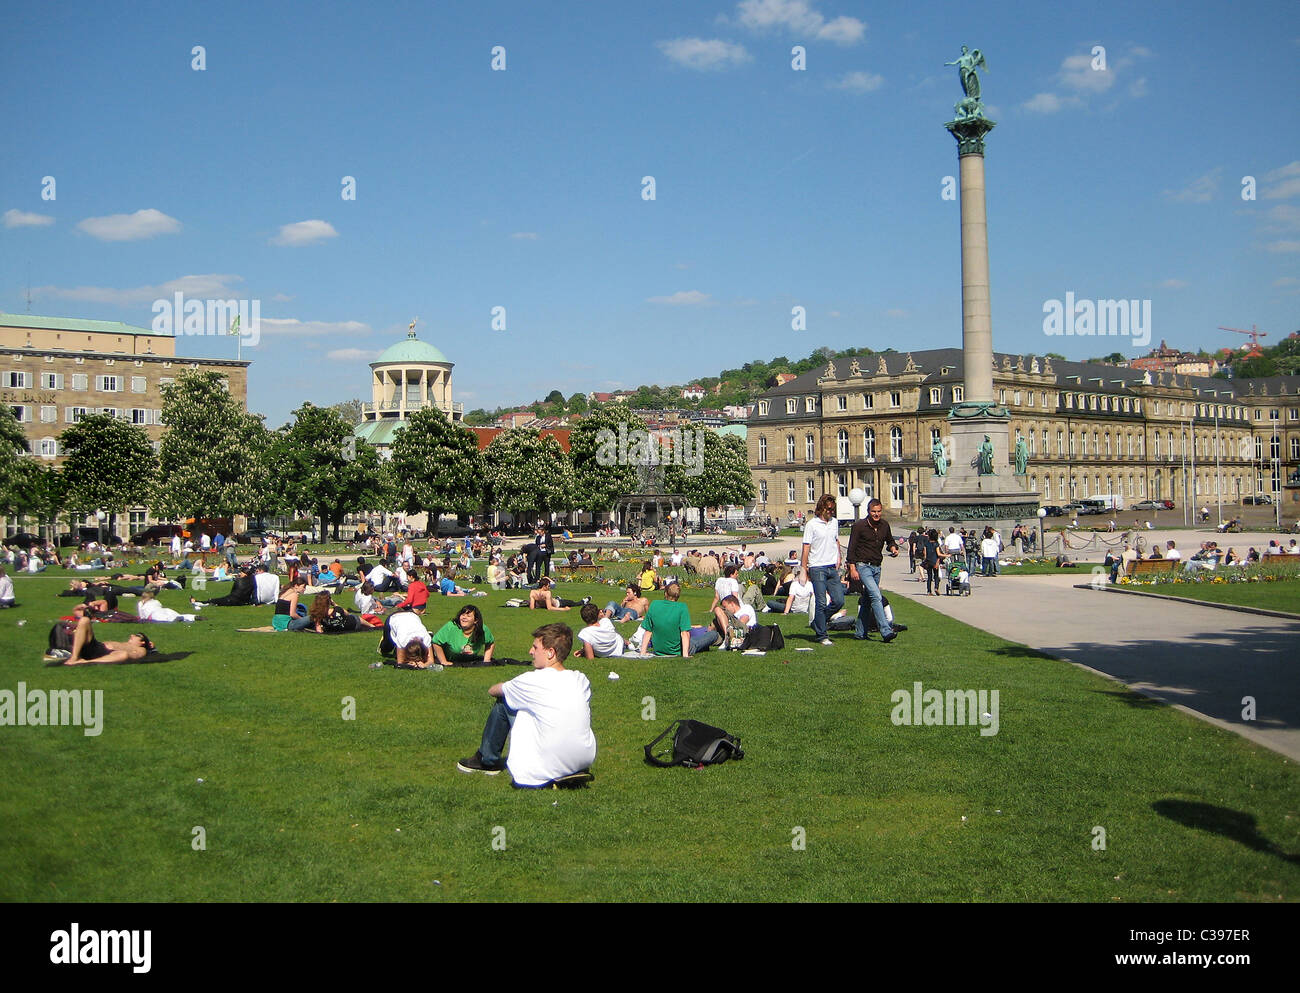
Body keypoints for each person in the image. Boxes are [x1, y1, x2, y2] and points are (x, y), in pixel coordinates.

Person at [456, 623, 597, 785]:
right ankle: (569, 761)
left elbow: (493, 690)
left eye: (535, 648)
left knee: (505, 700)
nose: (531, 652)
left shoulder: (531, 680)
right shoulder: (580, 679)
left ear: (551, 652)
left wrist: (512, 692)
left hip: (549, 762)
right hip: (584, 758)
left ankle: (486, 760)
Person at [847, 498, 901, 642]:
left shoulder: (884, 525)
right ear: (868, 512)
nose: (876, 514)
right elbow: (851, 549)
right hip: (863, 566)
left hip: (877, 567)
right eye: (873, 512)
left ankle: (860, 632)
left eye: (878, 511)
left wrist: (893, 548)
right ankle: (885, 631)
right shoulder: (859, 526)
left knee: (867, 600)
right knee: (876, 596)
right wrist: (852, 568)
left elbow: (890, 540)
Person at [800, 494, 844, 646]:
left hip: (832, 567)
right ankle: (822, 635)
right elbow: (806, 547)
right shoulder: (812, 525)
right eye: (829, 509)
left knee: (839, 600)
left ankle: (818, 622)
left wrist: (839, 557)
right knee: (821, 602)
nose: (831, 512)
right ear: (821, 508)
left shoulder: (834, 523)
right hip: (817, 566)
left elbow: (836, 540)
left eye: (833, 509)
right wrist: (803, 569)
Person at [638, 580, 717, 657]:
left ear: (665, 593)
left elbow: (648, 631)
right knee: (713, 635)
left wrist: (643, 652)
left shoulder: (654, 604)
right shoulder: (682, 607)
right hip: (678, 649)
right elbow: (685, 633)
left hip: (659, 649)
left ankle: (703, 647)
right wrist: (685, 655)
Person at [61, 613, 154, 665]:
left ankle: (85, 662)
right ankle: (74, 656)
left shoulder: (141, 649)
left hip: (106, 653)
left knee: (124, 655)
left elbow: (134, 656)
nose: (132, 635)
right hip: (96, 646)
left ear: (142, 642)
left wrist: (150, 647)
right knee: (84, 620)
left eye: (137, 635)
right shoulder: (124, 643)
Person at [431, 604, 496, 667]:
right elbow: (436, 641)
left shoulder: (482, 629)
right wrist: (443, 661)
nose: (464, 617)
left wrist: (486, 660)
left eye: (468, 616)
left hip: (470, 660)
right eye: (463, 615)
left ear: (476, 620)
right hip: (451, 659)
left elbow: (490, 642)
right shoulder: (451, 627)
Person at [380, 602, 433, 667]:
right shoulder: (403, 639)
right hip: (394, 618)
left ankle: (396, 646)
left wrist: (424, 665)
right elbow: (400, 662)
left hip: (412, 615)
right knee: (386, 649)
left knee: (396, 652)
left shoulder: (426, 638)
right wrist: (409, 663)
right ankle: (383, 642)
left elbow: (431, 661)